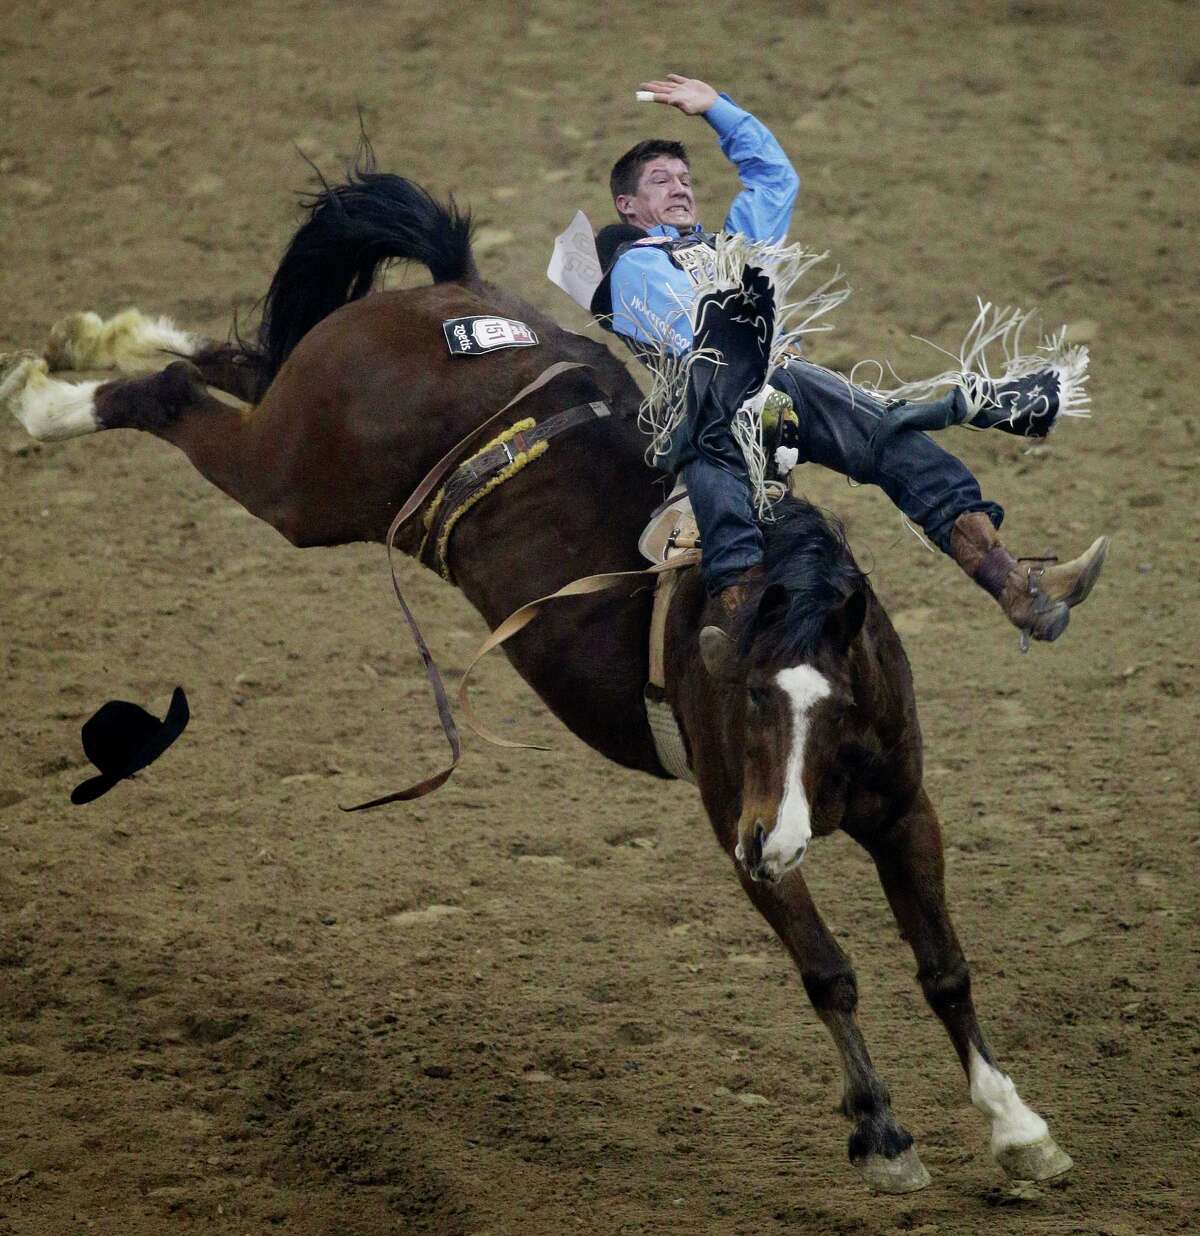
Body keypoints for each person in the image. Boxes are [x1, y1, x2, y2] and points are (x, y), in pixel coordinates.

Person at [591, 74, 1108, 645]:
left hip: (787, 382)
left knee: (900, 444)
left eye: (686, 179)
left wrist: (718, 109)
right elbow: (695, 338)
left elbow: (775, 179)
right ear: (627, 205)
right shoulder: (632, 267)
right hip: (715, 403)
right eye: (661, 181)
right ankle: (738, 637)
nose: (680, 189)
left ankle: (1015, 587)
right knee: (725, 504)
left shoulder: (730, 244)